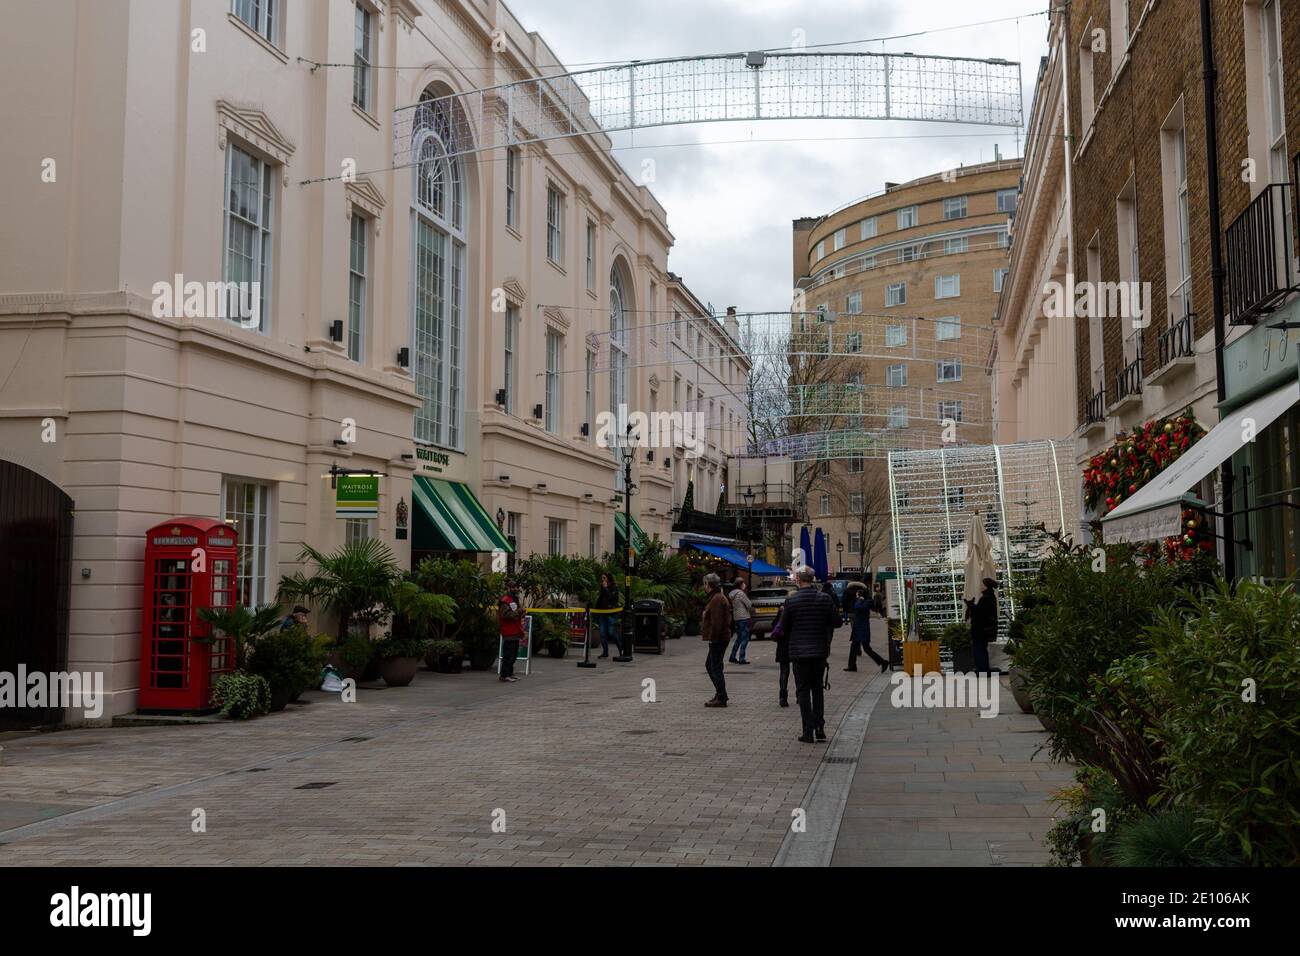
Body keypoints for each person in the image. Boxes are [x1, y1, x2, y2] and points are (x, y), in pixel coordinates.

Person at [784, 566, 838, 742]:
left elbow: (784, 627)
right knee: (817, 689)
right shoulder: (825, 599)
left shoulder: (792, 601)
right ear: (813, 578)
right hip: (819, 651)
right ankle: (820, 725)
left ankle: (808, 731)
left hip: (799, 652)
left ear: (799, 579)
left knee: (803, 691)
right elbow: (836, 622)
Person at [701, 573, 732, 707]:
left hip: (718, 639)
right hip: (719, 638)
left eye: (705, 584)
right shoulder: (716, 597)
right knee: (711, 665)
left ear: (710, 585)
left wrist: (712, 639)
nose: (704, 587)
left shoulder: (717, 599)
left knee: (715, 667)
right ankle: (721, 694)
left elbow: (717, 622)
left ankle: (721, 696)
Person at [845, 591, 889, 672]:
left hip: (863, 629)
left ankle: (883, 662)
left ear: (861, 595)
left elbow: (859, 608)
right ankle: (852, 666)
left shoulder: (867, 602)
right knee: (855, 647)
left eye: (857, 595)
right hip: (858, 628)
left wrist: (860, 601)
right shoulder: (863, 601)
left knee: (866, 649)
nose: (857, 597)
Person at [966, 577, 998, 675]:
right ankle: (983, 669)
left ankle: (982, 669)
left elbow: (980, 614)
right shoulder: (991, 597)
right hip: (985, 629)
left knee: (979, 649)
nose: (980, 586)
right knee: (982, 648)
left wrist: (972, 606)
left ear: (986, 586)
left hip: (980, 629)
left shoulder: (985, 598)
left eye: (982, 585)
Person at [498, 581, 525, 683]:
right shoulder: (505, 601)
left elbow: (516, 613)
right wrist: (518, 612)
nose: (515, 589)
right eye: (513, 587)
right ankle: (504, 675)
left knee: (513, 655)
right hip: (509, 631)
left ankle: (510, 673)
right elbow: (505, 615)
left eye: (516, 587)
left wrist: (521, 612)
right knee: (508, 654)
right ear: (508, 588)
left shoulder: (515, 599)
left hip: (516, 630)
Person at [593, 572, 622, 658]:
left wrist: (605, 588)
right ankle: (605, 652)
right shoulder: (603, 589)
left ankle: (621, 648)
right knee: (602, 633)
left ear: (609, 579)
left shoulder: (614, 588)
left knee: (611, 632)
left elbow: (611, 598)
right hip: (603, 613)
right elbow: (600, 600)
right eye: (602, 578)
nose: (602, 580)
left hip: (611, 614)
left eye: (604, 578)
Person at [728, 578, 754, 664]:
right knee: (745, 638)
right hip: (744, 617)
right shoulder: (741, 594)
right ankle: (742, 658)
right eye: (743, 583)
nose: (745, 585)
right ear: (740, 584)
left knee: (739, 638)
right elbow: (749, 604)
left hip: (736, 617)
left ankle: (732, 656)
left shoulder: (731, 594)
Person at [771, 604, 790, 707]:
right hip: (796, 644)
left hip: (783, 645)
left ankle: (783, 696)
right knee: (798, 671)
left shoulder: (782, 612)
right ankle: (799, 696)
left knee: (784, 671)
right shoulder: (797, 610)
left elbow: (773, 626)